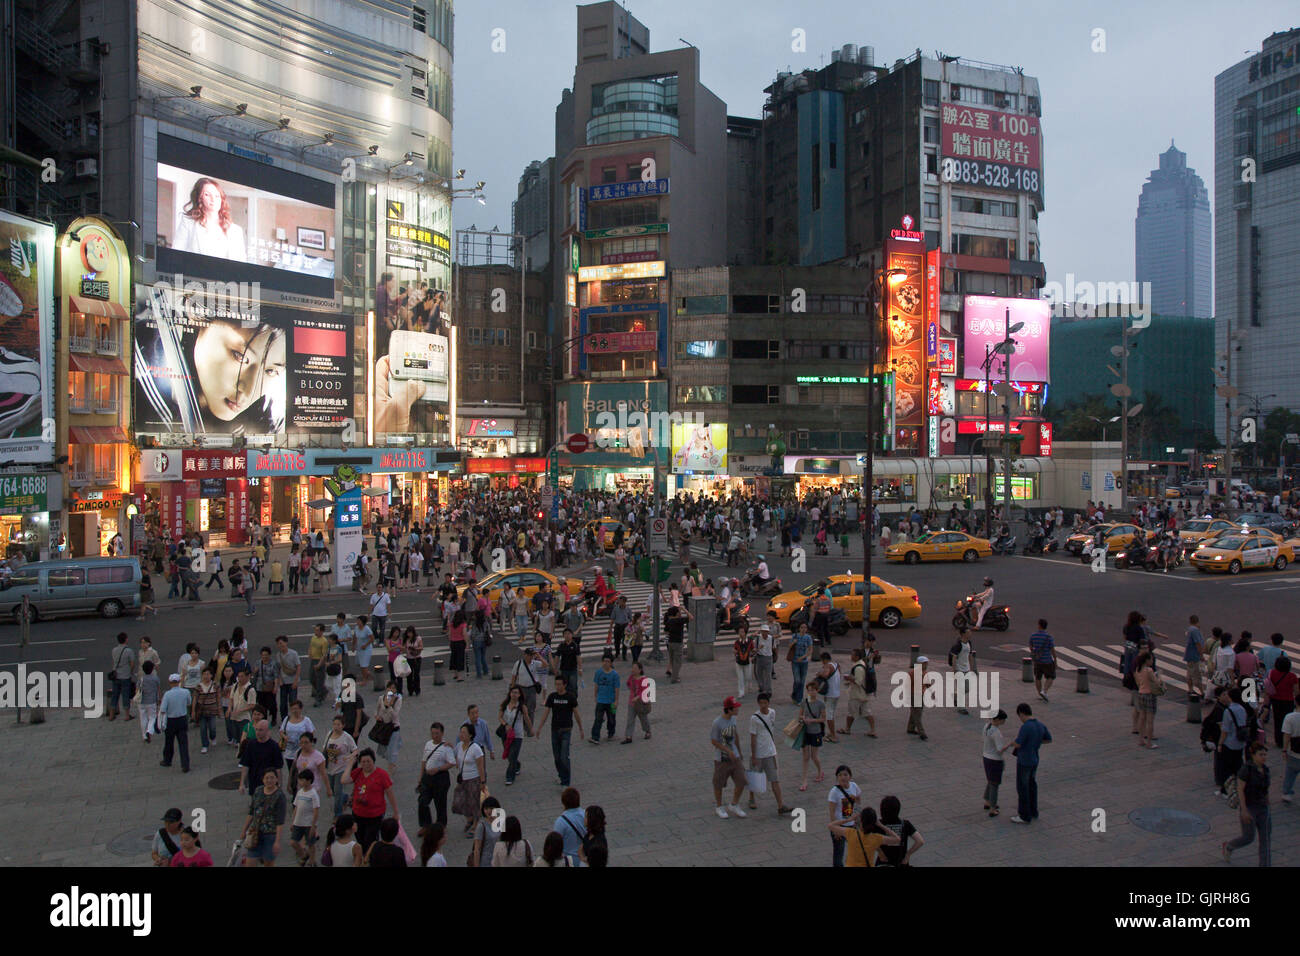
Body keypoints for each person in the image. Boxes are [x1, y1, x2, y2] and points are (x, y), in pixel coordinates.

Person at [172, 176, 247, 260]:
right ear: (199, 198)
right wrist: (178, 274)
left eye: (216, 195)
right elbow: (175, 258)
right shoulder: (188, 223)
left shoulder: (235, 231)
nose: (213, 199)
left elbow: (241, 266)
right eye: (207, 194)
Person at [1222, 741, 1272, 867]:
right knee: (1248, 837)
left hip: (1263, 808)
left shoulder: (1265, 770)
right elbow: (1240, 790)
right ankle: (1229, 846)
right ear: (1253, 755)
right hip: (1250, 807)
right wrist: (1244, 810)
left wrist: (1268, 803)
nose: (1264, 757)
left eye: (1265, 754)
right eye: (1261, 754)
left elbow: (1265, 789)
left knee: (1265, 840)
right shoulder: (1246, 769)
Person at [344, 748, 398, 852]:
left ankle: (369, 858)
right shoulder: (358, 772)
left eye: (368, 761)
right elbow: (344, 780)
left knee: (370, 840)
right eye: (363, 762)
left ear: (373, 761)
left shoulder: (382, 774)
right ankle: (365, 856)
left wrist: (395, 812)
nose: (366, 764)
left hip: (375, 815)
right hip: (358, 814)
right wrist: (350, 764)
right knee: (360, 839)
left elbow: (390, 793)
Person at [535, 674, 584, 787]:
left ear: (565, 685)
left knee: (564, 756)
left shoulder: (570, 697)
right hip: (555, 730)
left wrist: (581, 728)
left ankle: (566, 782)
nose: (557, 686)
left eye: (559, 684)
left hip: (566, 730)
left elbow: (576, 713)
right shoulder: (552, 697)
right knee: (557, 757)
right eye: (556, 684)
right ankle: (561, 775)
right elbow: (546, 712)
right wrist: (540, 727)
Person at [747, 692, 792, 814]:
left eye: (765, 703)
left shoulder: (772, 713)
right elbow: (753, 738)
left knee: (775, 779)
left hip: (771, 752)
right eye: (761, 703)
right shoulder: (754, 718)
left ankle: (780, 805)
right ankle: (751, 797)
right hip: (758, 753)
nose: (763, 705)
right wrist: (754, 755)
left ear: (768, 703)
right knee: (755, 778)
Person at [1010, 703, 1052, 824]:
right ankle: (1033, 811)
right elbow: (1048, 739)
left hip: (1024, 760)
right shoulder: (1040, 725)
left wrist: (1012, 743)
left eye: (1019, 716)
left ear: (1021, 714)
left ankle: (1024, 815)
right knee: (1032, 785)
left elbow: (1018, 743)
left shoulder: (1026, 727)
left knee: (1022, 787)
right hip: (1034, 759)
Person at [709, 696, 748, 819]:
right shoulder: (717, 723)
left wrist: (739, 752)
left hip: (735, 757)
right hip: (722, 759)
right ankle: (719, 806)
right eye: (735, 708)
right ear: (729, 709)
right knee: (719, 783)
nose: (738, 710)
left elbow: (735, 735)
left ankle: (734, 804)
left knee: (741, 781)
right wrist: (727, 750)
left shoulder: (734, 720)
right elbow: (714, 741)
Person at [241, 768, 288, 867]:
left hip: (270, 835)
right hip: (255, 833)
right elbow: (251, 812)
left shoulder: (280, 796)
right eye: (267, 778)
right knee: (249, 862)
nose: (269, 780)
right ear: (263, 779)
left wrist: (277, 841)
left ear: (276, 779)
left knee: (268, 863)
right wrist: (244, 830)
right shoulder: (258, 791)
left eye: (272, 778)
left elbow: (280, 821)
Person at [829, 806, 900, 867]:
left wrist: (849, 819)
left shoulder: (850, 833)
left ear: (861, 821)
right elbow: (897, 839)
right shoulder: (876, 838)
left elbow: (831, 825)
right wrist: (880, 825)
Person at [417, 722, 456, 829]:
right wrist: (420, 777)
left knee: (440, 804)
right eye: (433, 733)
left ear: (442, 733)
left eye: (437, 733)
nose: (435, 736)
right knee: (422, 801)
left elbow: (452, 762)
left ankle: (441, 826)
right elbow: (424, 761)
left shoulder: (446, 747)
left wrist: (438, 769)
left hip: (440, 778)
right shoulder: (428, 744)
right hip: (427, 778)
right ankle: (426, 825)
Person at [452, 721, 488, 839]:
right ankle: (469, 819)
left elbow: (481, 767)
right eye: (460, 732)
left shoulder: (476, 748)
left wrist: (482, 782)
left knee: (474, 803)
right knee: (461, 801)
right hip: (463, 779)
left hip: (474, 779)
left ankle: (475, 825)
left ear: (470, 735)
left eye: (464, 732)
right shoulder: (459, 746)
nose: (461, 734)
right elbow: (455, 757)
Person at [826, 764, 861, 867]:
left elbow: (858, 800)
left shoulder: (854, 786)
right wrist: (835, 829)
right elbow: (831, 812)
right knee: (838, 853)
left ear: (850, 776)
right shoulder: (834, 792)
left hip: (853, 825)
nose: (843, 777)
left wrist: (857, 818)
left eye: (845, 774)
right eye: (840, 775)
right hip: (840, 826)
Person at [841, 644, 879, 738]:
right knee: (867, 713)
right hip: (864, 694)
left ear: (857, 656)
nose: (851, 656)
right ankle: (872, 730)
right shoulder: (862, 664)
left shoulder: (858, 668)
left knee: (851, 713)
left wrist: (849, 678)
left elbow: (858, 681)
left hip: (857, 694)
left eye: (852, 655)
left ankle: (847, 729)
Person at [877, 795, 924, 867]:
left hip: (883, 862)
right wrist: (908, 855)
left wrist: (880, 852)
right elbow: (920, 841)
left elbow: (866, 838)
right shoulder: (905, 824)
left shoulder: (879, 824)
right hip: (901, 862)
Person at [158, 674, 192, 772]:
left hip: (171, 720)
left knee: (169, 742)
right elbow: (189, 702)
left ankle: (167, 760)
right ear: (179, 681)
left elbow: (163, 709)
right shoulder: (185, 692)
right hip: (182, 719)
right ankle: (185, 764)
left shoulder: (167, 694)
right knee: (183, 743)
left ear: (170, 682)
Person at [982, 709, 1013, 816]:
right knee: (994, 783)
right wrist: (1009, 744)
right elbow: (1000, 750)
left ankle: (987, 800)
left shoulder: (986, 727)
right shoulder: (996, 733)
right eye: (1003, 720)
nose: (1004, 722)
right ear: (998, 719)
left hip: (986, 757)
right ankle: (992, 808)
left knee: (990, 780)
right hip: (995, 760)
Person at [500, 685, 533, 784]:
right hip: (505, 734)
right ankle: (517, 765)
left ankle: (510, 776)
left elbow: (527, 718)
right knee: (509, 754)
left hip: (517, 734)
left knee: (513, 754)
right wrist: (505, 724)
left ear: (519, 695)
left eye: (516, 693)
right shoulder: (505, 704)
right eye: (512, 692)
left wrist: (531, 729)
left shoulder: (522, 706)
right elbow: (500, 717)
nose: (514, 694)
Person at [289, 769, 322, 865]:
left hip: (308, 823)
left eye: (302, 780)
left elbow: (316, 811)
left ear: (309, 780)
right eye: (299, 780)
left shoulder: (313, 794)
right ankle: (304, 855)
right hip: (298, 822)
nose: (300, 782)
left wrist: (313, 826)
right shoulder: (299, 792)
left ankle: (312, 860)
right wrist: (293, 821)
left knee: (311, 844)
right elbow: (296, 807)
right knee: (293, 842)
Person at [798, 681, 826, 791]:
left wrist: (813, 720)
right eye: (809, 690)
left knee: (814, 756)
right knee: (805, 757)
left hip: (816, 732)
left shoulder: (820, 704)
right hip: (805, 732)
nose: (811, 692)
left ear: (817, 691)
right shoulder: (804, 702)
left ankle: (820, 771)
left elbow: (823, 718)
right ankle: (804, 781)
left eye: (813, 690)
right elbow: (799, 715)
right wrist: (803, 718)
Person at [590, 653, 620, 744]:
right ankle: (595, 737)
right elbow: (596, 685)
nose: (605, 663)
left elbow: (617, 688)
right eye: (604, 661)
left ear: (611, 663)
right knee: (598, 719)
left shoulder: (615, 675)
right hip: (601, 699)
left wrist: (616, 700)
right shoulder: (598, 672)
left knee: (611, 719)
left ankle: (611, 733)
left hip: (610, 700)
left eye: (608, 661)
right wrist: (595, 696)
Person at [1133, 650, 1161, 749]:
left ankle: (1141, 740)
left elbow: (1138, 682)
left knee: (1142, 718)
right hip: (1149, 695)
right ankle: (1149, 742)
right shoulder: (1149, 671)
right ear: (1147, 660)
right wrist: (1160, 677)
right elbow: (1157, 683)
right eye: (1151, 659)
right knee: (1150, 720)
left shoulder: (1138, 669)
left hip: (1141, 694)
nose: (1152, 661)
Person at [621, 659, 653, 743]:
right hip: (631, 702)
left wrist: (637, 697)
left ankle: (647, 731)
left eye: (635, 668)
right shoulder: (631, 677)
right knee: (630, 719)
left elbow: (645, 691)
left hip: (640, 703)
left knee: (643, 719)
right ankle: (629, 736)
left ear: (640, 670)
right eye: (632, 668)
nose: (633, 670)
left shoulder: (644, 679)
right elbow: (628, 684)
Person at [553, 788, 587, 866]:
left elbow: (555, 844)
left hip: (569, 861)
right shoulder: (586, 815)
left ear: (564, 802)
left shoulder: (561, 821)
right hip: (585, 859)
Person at [108, 633, 136, 722]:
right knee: (125, 695)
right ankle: (127, 715)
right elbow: (132, 664)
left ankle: (111, 715)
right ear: (126, 640)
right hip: (125, 676)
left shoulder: (114, 650)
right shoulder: (129, 651)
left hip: (116, 676)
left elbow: (114, 662)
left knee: (115, 695)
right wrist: (130, 672)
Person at [815, 652, 842, 741]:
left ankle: (833, 735)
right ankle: (831, 732)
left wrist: (819, 674)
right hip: (837, 693)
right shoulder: (837, 665)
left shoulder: (827, 666)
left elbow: (826, 675)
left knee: (829, 715)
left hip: (830, 693)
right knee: (832, 713)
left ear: (824, 659)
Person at [1027, 619, 1055, 702]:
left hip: (1037, 661)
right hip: (1047, 660)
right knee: (1051, 676)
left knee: (1038, 678)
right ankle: (1044, 691)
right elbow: (1052, 650)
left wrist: (1034, 651)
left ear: (1039, 625)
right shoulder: (1049, 637)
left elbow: (1031, 647)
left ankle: (1040, 693)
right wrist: (1055, 659)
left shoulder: (1033, 635)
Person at [274, 635, 301, 719]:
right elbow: (278, 669)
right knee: (282, 703)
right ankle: (284, 719)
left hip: (292, 681)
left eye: (281, 643)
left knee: (293, 702)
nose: (280, 645)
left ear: (286, 643)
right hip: (283, 683)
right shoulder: (278, 655)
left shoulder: (293, 653)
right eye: (278, 644)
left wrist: (296, 681)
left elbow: (298, 667)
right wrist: (280, 681)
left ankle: (294, 718)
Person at [664, 604, 692, 684]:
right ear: (676, 613)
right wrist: (684, 609)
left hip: (670, 642)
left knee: (673, 660)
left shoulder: (669, 621)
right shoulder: (679, 620)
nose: (680, 613)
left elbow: (666, 631)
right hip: (678, 643)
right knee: (678, 662)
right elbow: (691, 617)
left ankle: (674, 675)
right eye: (679, 612)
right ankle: (674, 678)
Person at [754, 611, 779, 696]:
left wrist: (775, 656)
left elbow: (774, 648)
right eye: (763, 631)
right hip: (760, 657)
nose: (764, 633)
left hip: (768, 658)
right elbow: (754, 650)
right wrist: (758, 649)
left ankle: (768, 690)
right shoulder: (757, 639)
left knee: (768, 675)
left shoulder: (771, 639)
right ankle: (761, 687)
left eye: (766, 632)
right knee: (759, 674)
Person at [906, 657, 929, 741]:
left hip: (920, 694)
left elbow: (927, 683)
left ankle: (910, 728)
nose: (926, 665)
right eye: (924, 663)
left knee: (915, 712)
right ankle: (922, 733)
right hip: (914, 695)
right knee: (917, 714)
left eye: (926, 663)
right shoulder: (912, 673)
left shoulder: (925, 672)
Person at [790, 623, 814, 704]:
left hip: (804, 662)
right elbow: (789, 646)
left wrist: (804, 657)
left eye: (805, 627)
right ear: (799, 628)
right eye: (801, 627)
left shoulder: (808, 637)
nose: (803, 629)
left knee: (802, 681)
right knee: (797, 680)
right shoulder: (795, 636)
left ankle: (799, 699)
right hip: (795, 661)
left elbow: (810, 650)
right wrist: (793, 642)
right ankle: (794, 695)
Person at [1183, 614, 1206, 697]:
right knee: (1196, 675)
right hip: (1194, 656)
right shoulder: (1195, 630)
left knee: (1189, 673)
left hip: (1189, 655)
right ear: (1197, 621)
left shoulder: (1190, 629)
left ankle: (1190, 689)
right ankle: (1202, 692)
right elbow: (1198, 643)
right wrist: (1201, 655)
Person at [733, 622, 755, 701]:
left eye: (742, 632)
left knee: (748, 676)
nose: (740, 633)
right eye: (739, 632)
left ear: (745, 633)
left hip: (747, 661)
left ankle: (749, 685)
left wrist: (752, 655)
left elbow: (753, 650)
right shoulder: (737, 642)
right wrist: (735, 652)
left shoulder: (749, 642)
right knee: (740, 678)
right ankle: (741, 692)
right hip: (739, 661)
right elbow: (735, 650)